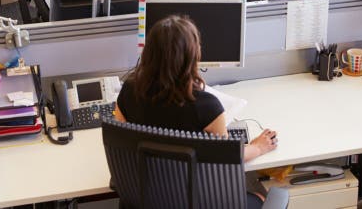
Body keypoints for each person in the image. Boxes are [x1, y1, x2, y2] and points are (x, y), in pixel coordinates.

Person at [114, 14, 278, 208]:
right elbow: (227, 158)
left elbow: (121, 142)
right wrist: (258, 147)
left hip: (145, 198)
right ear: (192, 56)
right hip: (195, 201)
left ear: (149, 53)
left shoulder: (128, 91)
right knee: (259, 198)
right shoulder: (206, 106)